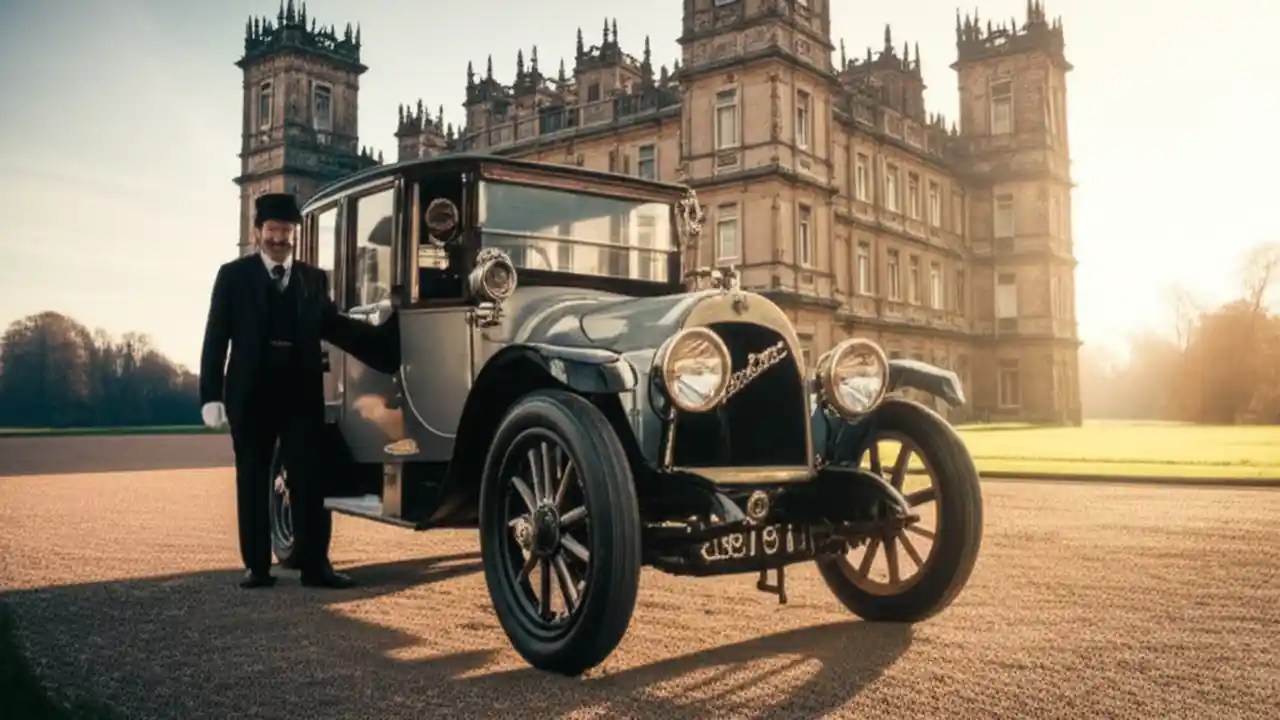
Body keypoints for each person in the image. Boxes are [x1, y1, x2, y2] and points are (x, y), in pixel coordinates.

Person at [200, 192, 398, 589]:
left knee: (310, 479)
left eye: (287, 231)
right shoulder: (232, 276)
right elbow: (215, 338)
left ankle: (314, 566)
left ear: (295, 234)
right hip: (250, 396)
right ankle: (257, 566)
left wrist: (388, 337)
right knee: (253, 479)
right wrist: (210, 396)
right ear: (258, 233)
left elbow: (335, 326)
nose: (279, 237)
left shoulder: (312, 278)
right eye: (272, 230)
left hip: (299, 395)